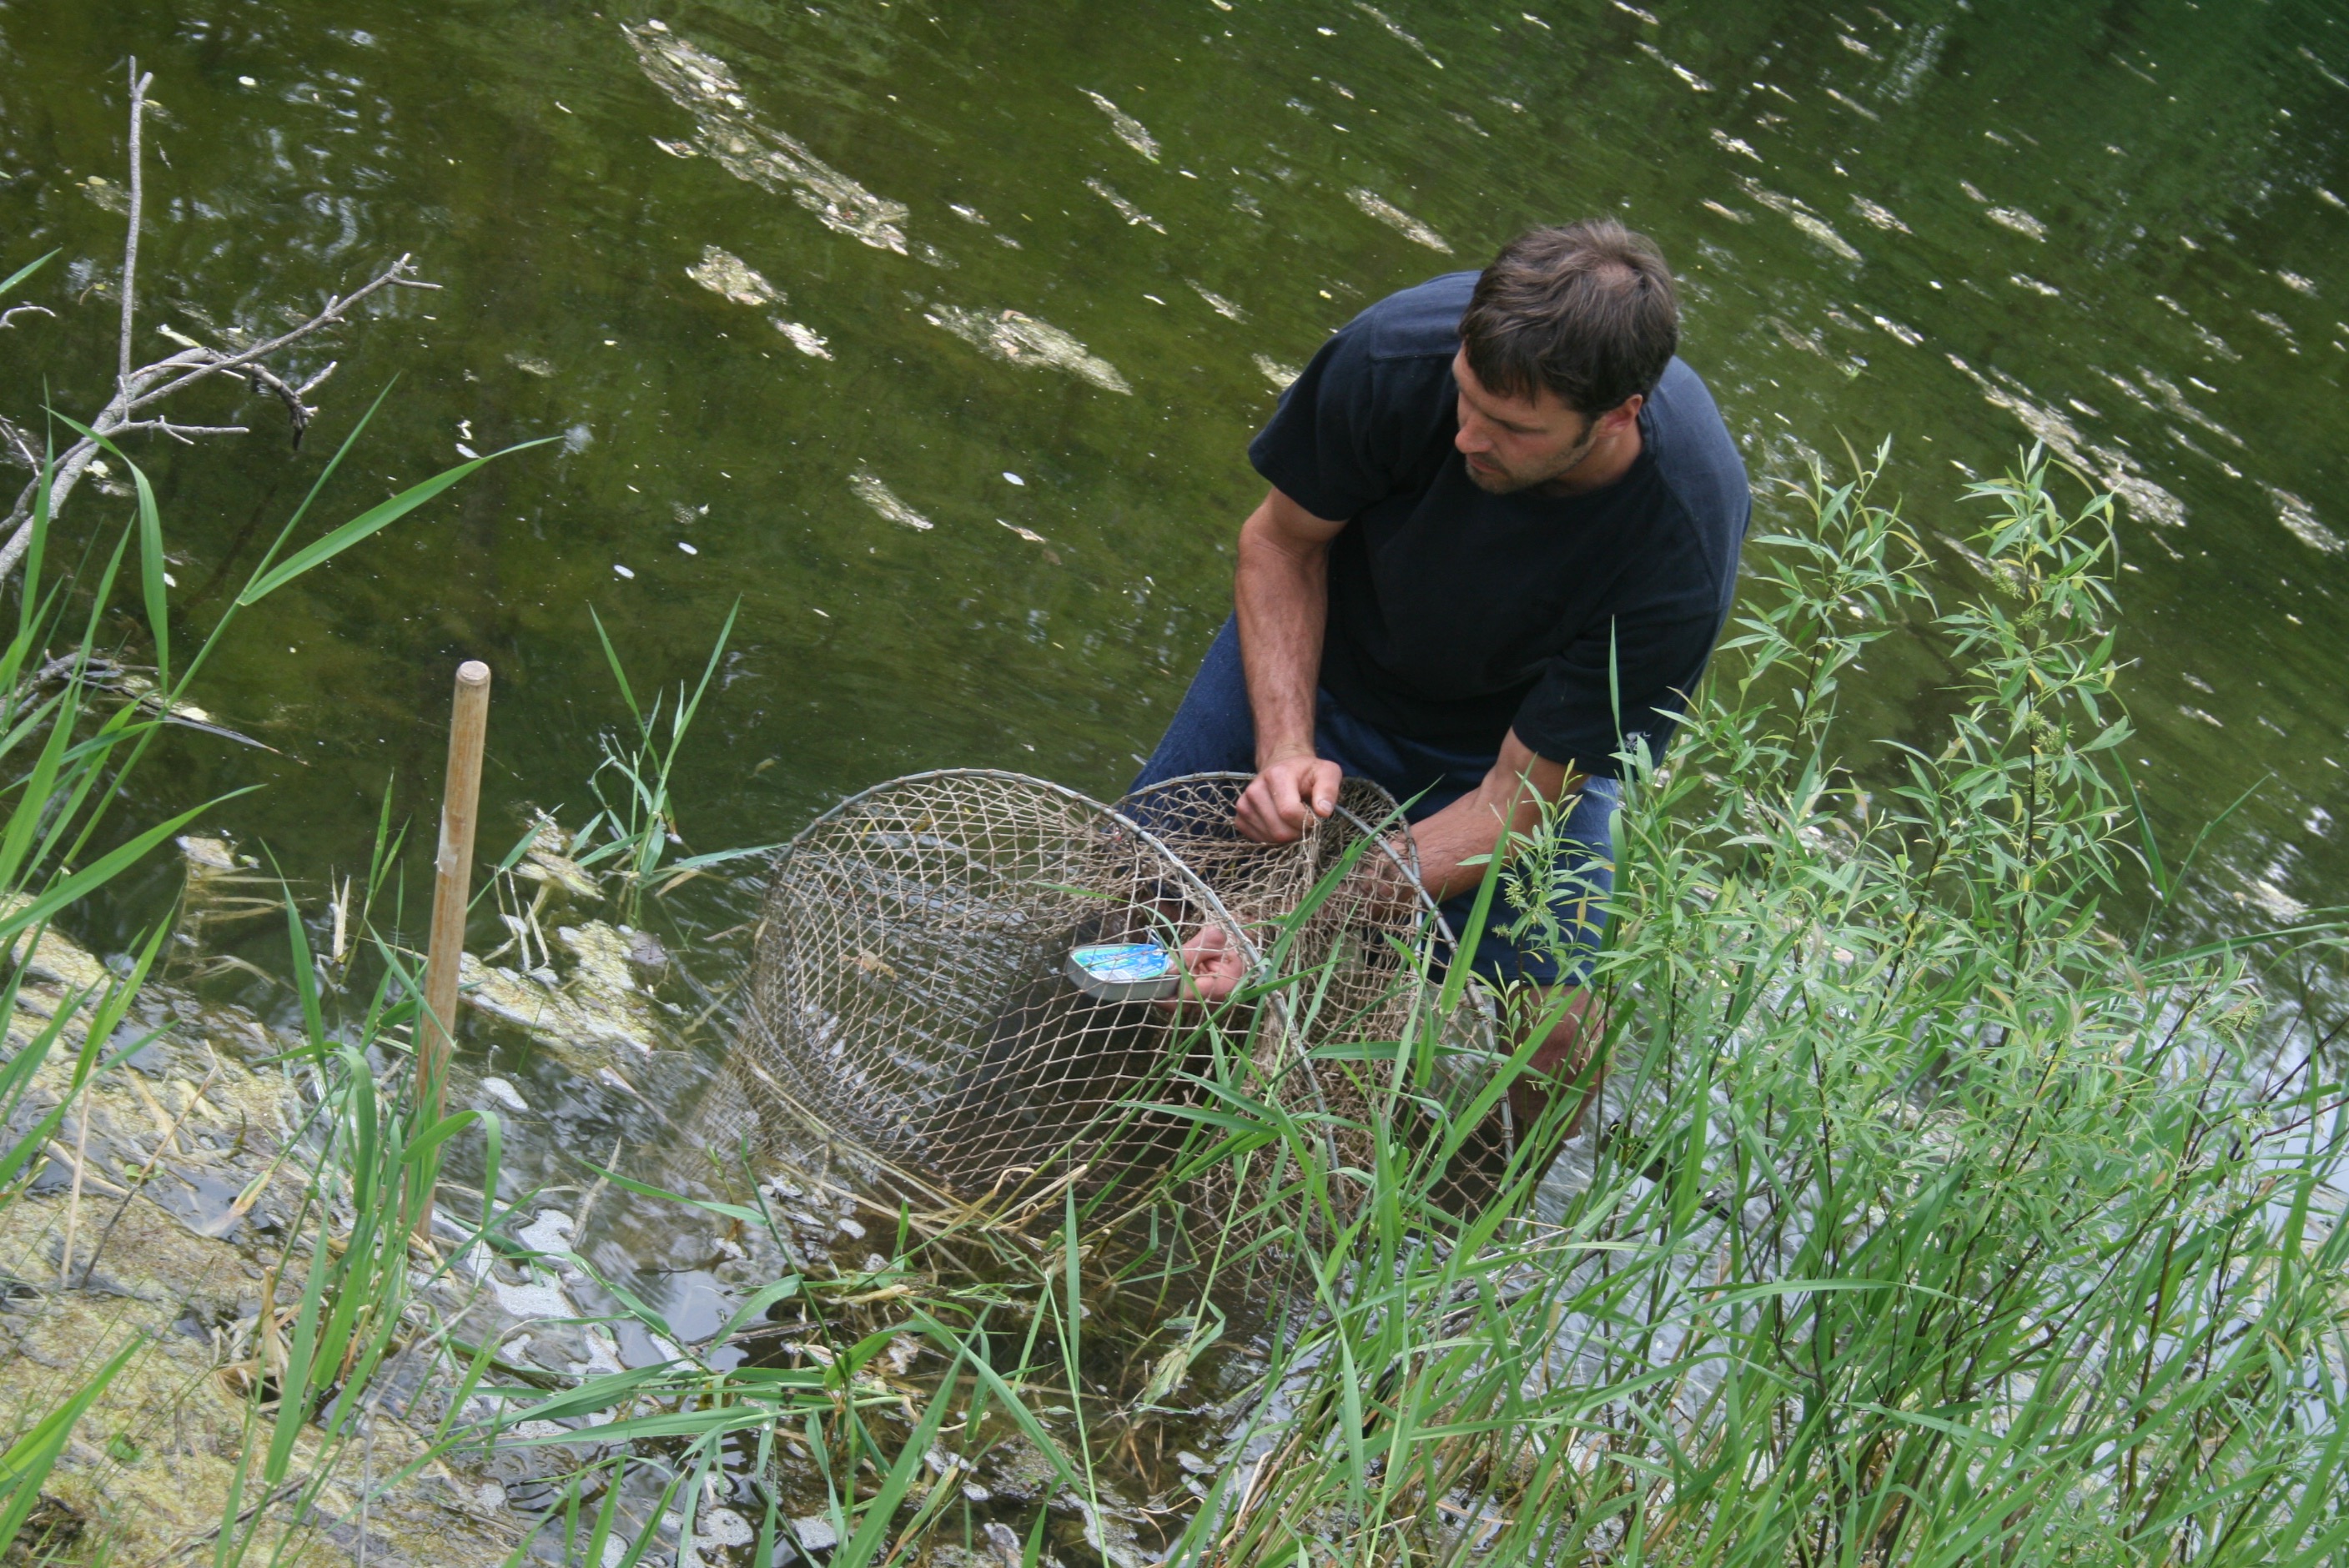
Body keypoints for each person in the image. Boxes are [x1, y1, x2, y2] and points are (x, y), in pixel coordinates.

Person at [1130, 218, 1750, 1152]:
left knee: (1557, 1042)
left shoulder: (1680, 540)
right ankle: (1108, 1146)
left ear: (1615, 415)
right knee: (1137, 904)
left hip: (1510, 746)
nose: (1465, 436)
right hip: (1330, 648)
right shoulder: (1392, 356)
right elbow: (1280, 541)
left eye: (1509, 427)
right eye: (1463, 397)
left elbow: (1511, 802)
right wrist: (1286, 749)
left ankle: (1459, 1247)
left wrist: (1291, 911)